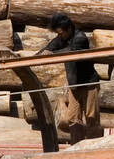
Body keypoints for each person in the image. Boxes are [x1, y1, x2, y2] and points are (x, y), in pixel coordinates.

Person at [40, 13, 102, 144]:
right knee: (72, 118)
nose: (59, 36)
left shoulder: (80, 38)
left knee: (91, 117)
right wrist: (41, 54)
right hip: (74, 85)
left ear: (69, 29)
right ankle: (77, 145)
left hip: (89, 84)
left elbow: (71, 51)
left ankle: (96, 146)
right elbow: (49, 48)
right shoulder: (62, 37)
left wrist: (52, 54)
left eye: (61, 33)